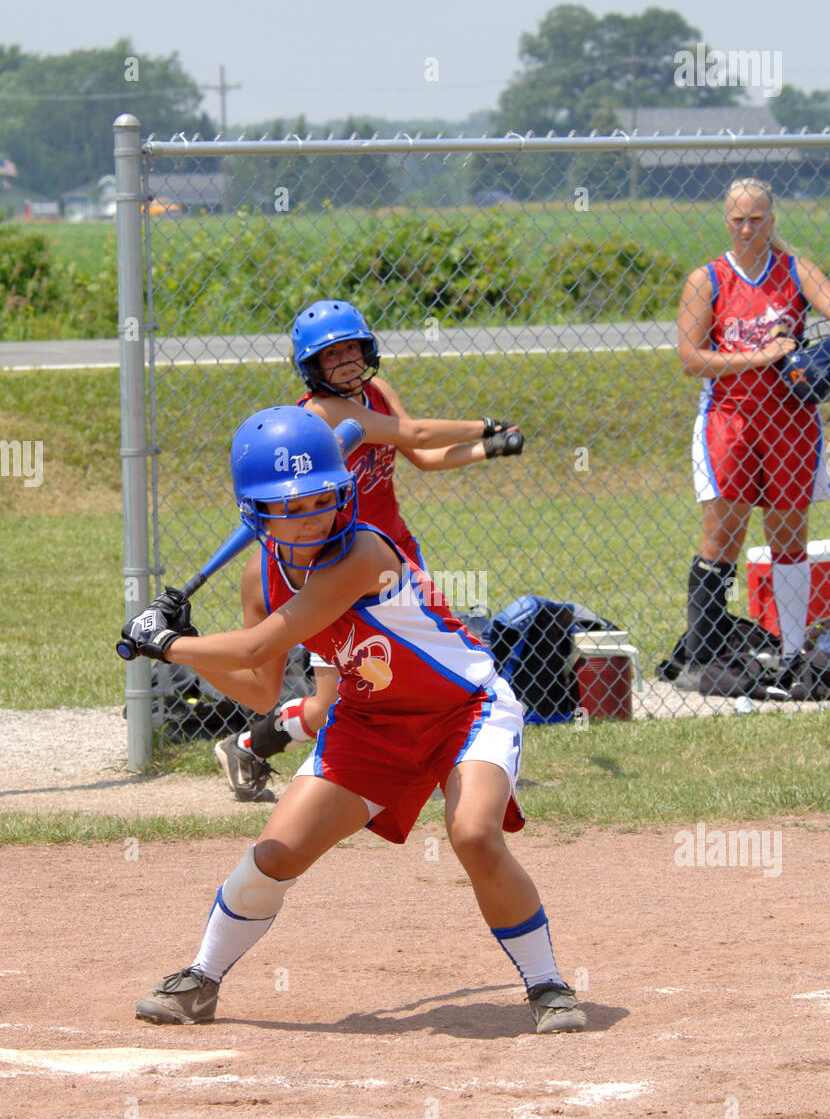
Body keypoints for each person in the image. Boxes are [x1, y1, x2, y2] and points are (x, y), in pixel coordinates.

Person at [121, 406, 586, 1036]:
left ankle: (548, 984)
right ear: (254, 513)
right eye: (286, 507)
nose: (308, 518)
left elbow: (258, 646)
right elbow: (259, 686)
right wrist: (192, 643)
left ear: (343, 492)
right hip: (369, 724)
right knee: (275, 852)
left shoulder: (364, 550)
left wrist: (167, 645)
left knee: (473, 834)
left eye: (320, 499)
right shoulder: (262, 576)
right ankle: (201, 978)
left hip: (464, 708)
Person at [215, 298, 524, 801]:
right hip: (334, 566)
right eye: (330, 356)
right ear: (311, 367)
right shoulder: (321, 414)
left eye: (352, 349)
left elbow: (421, 455)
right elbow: (417, 431)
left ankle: (452, 760)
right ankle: (251, 746)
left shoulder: (376, 392)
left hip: (393, 559)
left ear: (369, 350)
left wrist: (488, 450)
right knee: (333, 704)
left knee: (415, 678)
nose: (345, 363)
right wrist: (485, 425)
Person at [675, 177, 830, 690]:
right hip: (730, 418)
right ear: (726, 222)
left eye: (756, 218)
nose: (746, 228)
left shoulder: (793, 271)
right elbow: (692, 359)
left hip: (792, 423)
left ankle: (791, 651)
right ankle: (703, 656)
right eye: (737, 219)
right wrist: (758, 356)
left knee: (788, 538)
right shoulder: (708, 278)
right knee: (722, 537)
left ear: (772, 220)